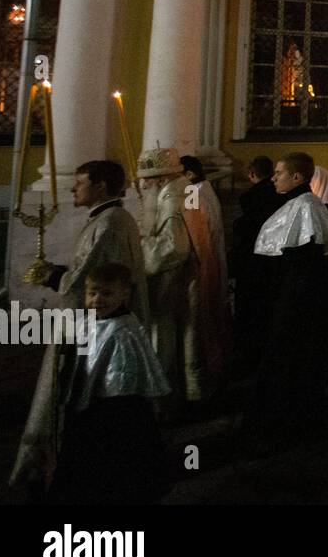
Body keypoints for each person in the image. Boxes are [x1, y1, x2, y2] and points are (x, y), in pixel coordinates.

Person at [14, 263, 169, 504]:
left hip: (113, 410)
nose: (97, 300)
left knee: (112, 461)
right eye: (92, 293)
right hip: (90, 404)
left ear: (124, 294)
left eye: (106, 294)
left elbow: (122, 380)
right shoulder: (93, 320)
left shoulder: (123, 331)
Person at [252, 152, 328, 436]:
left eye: (279, 173)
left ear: (297, 177)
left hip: (297, 309)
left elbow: (304, 268)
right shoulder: (297, 204)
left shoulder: (307, 208)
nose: (274, 178)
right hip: (289, 303)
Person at [136, 146, 201, 408]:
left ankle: (164, 401)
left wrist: (141, 247)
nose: (142, 185)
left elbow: (175, 247)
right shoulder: (184, 190)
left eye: (147, 181)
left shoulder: (172, 200)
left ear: (161, 180)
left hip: (173, 281)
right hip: (183, 278)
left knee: (164, 340)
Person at [55, 160, 147, 324]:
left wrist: (55, 278)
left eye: (80, 183)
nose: (73, 189)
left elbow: (89, 276)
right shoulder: (111, 216)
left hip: (103, 319)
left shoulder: (108, 222)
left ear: (100, 186)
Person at [180, 155, 229, 401]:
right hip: (211, 260)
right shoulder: (204, 189)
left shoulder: (191, 193)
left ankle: (199, 385)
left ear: (188, 174)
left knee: (199, 324)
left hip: (200, 265)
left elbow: (195, 235)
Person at [229, 156, 282, 374]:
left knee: (250, 311)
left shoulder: (251, 197)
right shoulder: (279, 195)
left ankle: (249, 357)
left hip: (252, 263)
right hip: (272, 263)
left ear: (252, 174)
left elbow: (247, 229)